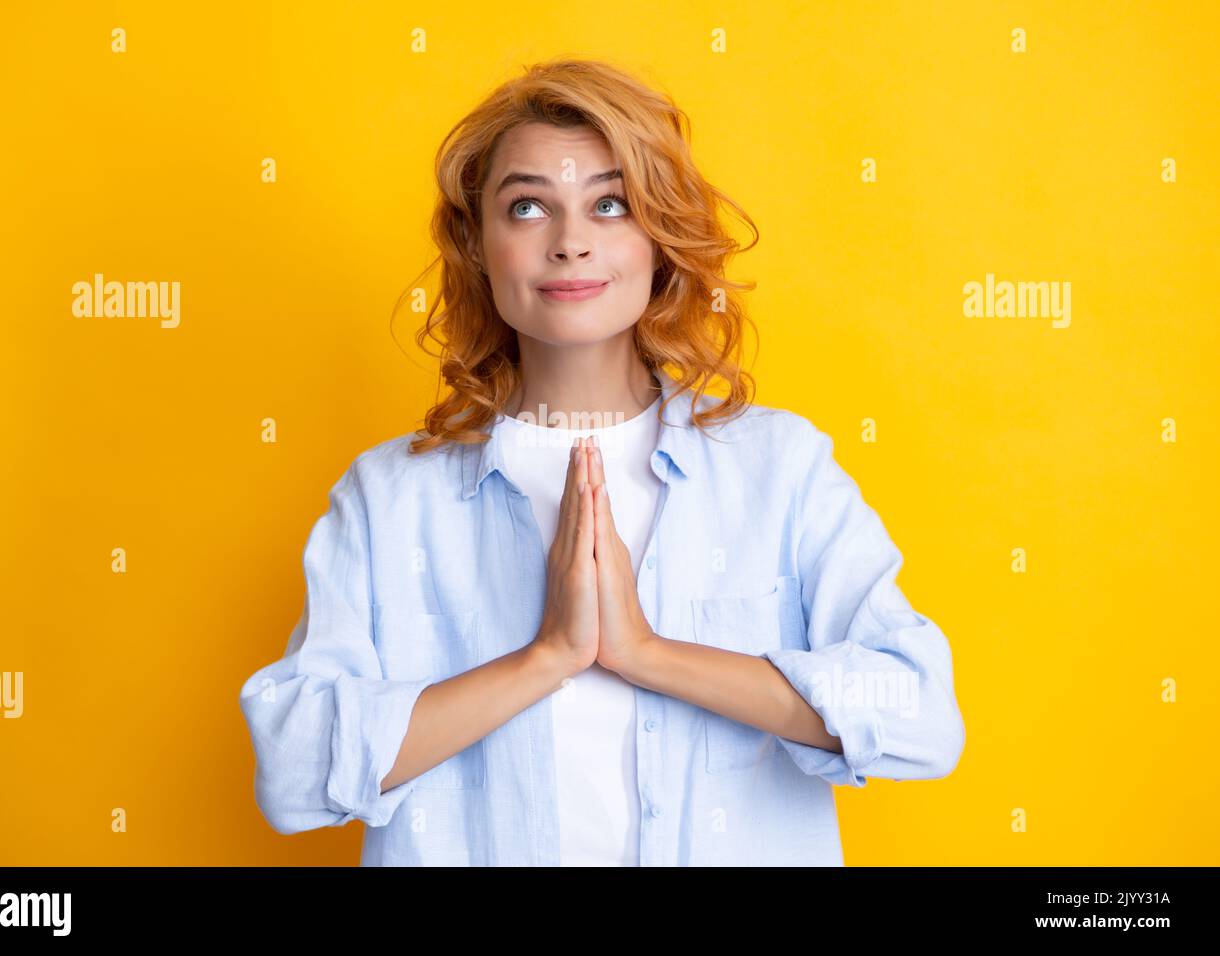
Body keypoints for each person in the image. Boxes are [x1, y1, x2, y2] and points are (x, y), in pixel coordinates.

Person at [238, 57, 965, 866]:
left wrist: (647, 654)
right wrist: (546, 656)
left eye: (609, 204)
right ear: (479, 246)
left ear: (659, 237)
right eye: (527, 207)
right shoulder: (389, 498)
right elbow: (294, 771)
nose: (571, 243)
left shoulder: (779, 468)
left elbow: (922, 717)